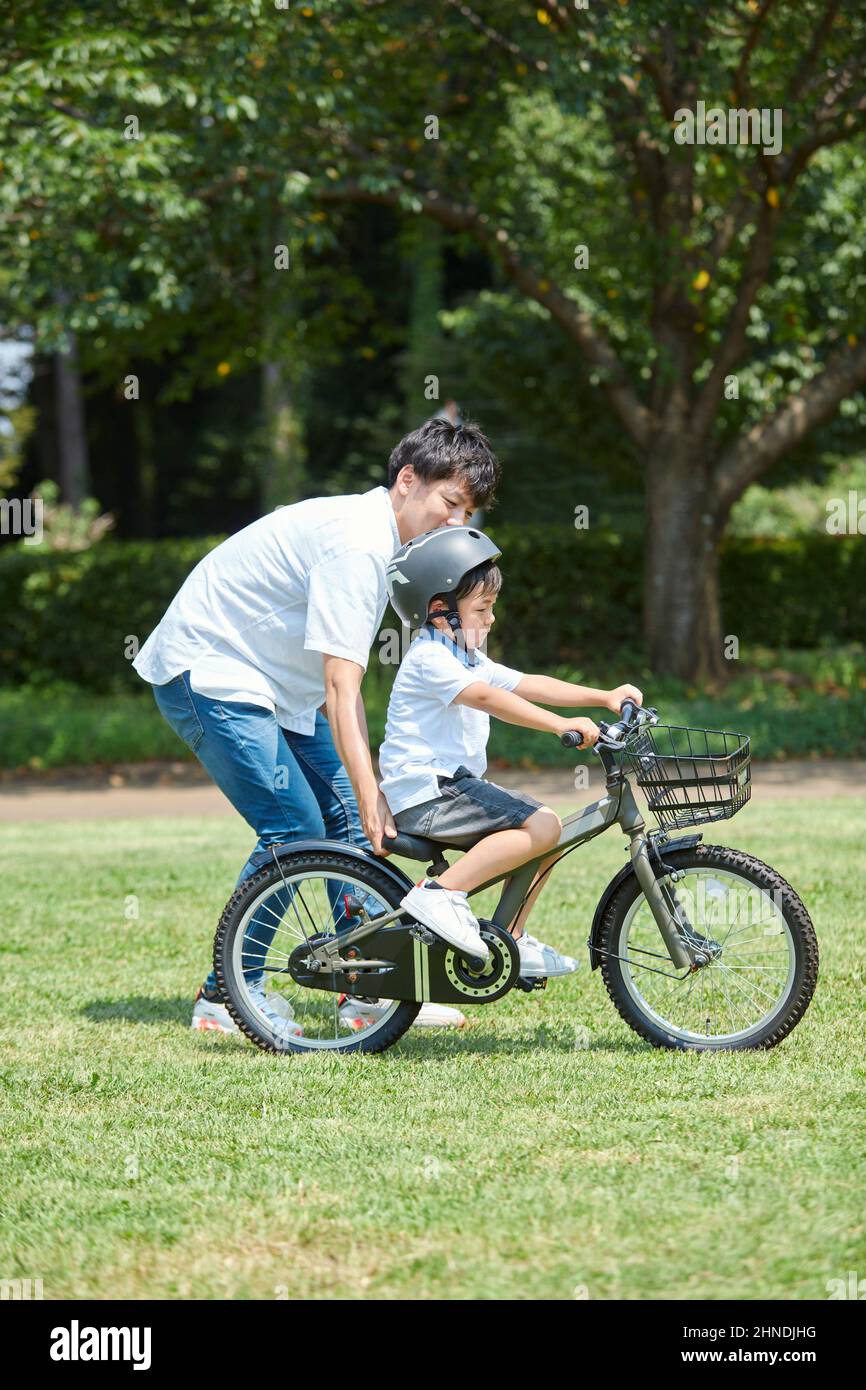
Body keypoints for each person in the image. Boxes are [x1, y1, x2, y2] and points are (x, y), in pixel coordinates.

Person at [132, 418, 501, 1035]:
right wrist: (370, 785)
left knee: (350, 826)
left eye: (467, 513)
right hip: (211, 673)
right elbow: (342, 687)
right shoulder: (358, 544)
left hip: (276, 691)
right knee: (295, 826)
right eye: (450, 502)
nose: (456, 523)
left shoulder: (395, 548)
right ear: (408, 480)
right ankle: (226, 995)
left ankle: (363, 987)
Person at [379, 526, 643, 973]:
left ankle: (511, 937)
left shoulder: (465, 655)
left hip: (451, 789)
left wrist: (604, 695)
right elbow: (487, 699)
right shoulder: (430, 657)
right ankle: (439, 896)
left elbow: (527, 683)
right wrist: (560, 726)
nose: (491, 619)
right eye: (482, 609)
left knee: (549, 836)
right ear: (441, 612)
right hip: (430, 792)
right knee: (543, 824)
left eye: (492, 608)